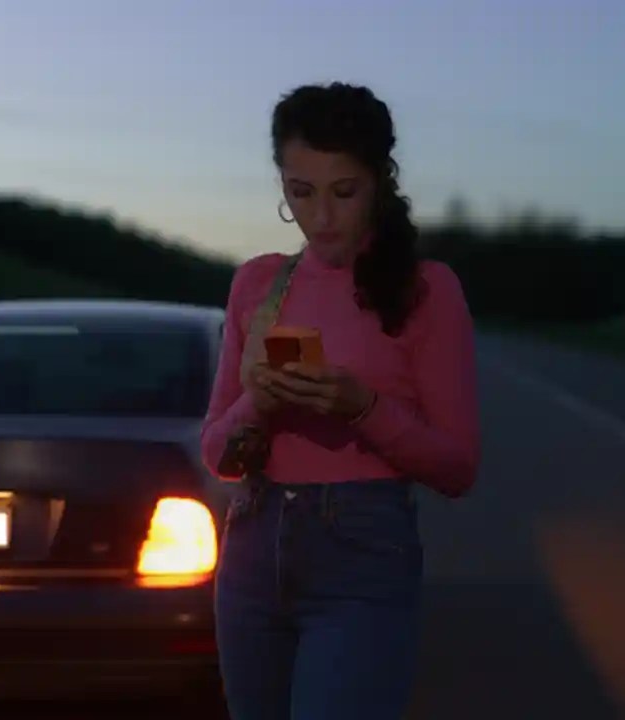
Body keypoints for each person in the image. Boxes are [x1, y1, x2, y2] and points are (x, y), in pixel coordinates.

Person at [199, 81, 481, 720]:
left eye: (343, 192)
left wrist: (362, 407)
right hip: (251, 551)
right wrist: (257, 404)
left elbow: (459, 466)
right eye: (300, 193)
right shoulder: (258, 283)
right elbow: (218, 452)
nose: (321, 217)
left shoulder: (427, 290)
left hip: (360, 555)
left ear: (379, 181)